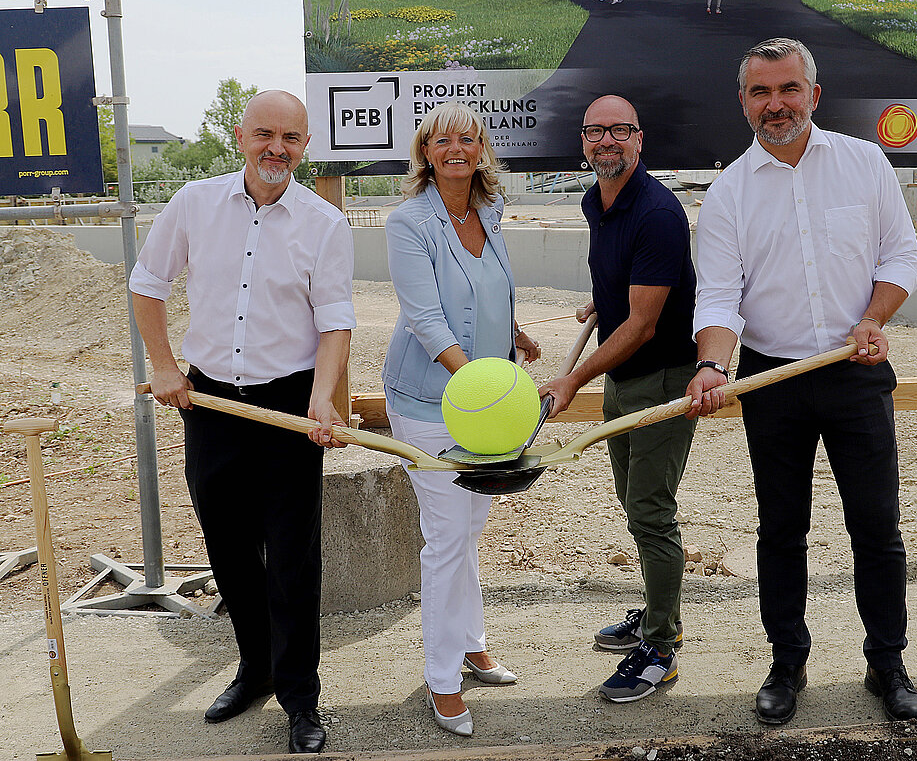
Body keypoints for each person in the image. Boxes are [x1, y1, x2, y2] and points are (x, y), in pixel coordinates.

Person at [684, 38, 917, 726]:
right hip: (772, 378)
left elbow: (901, 254)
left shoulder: (864, 163)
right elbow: (719, 296)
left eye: (788, 88)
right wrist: (712, 365)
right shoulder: (728, 193)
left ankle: (888, 662)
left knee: (876, 526)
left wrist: (874, 318)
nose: (776, 104)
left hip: (856, 371)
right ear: (743, 103)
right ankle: (787, 660)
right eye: (761, 92)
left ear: (813, 95)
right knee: (781, 529)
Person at [129, 90, 355, 754]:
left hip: (287, 408)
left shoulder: (324, 224)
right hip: (210, 406)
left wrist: (322, 398)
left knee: (291, 559)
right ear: (241, 136)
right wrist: (165, 366)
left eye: (291, 138)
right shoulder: (194, 203)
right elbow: (147, 283)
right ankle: (255, 669)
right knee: (228, 549)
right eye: (264, 134)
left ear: (304, 145)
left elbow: (334, 322)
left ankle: (300, 697)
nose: (276, 148)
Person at [383, 101, 541, 737]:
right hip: (431, 403)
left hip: (485, 404)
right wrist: (481, 384)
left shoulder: (490, 210)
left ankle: (471, 643)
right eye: (442, 139)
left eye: (467, 138)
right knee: (447, 537)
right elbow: (426, 318)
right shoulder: (407, 222)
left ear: (481, 151)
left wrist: (513, 334)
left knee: (469, 526)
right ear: (426, 152)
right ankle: (442, 677)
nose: (456, 148)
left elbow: (486, 290)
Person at [540, 95, 697, 703]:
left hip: (661, 380)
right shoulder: (596, 200)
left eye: (619, 130)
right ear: (584, 140)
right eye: (595, 131)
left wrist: (571, 379)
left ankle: (660, 648)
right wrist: (605, 297)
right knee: (635, 506)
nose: (606, 141)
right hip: (623, 378)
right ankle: (658, 611)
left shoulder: (657, 212)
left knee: (652, 510)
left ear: (639, 139)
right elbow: (629, 287)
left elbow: (644, 325)